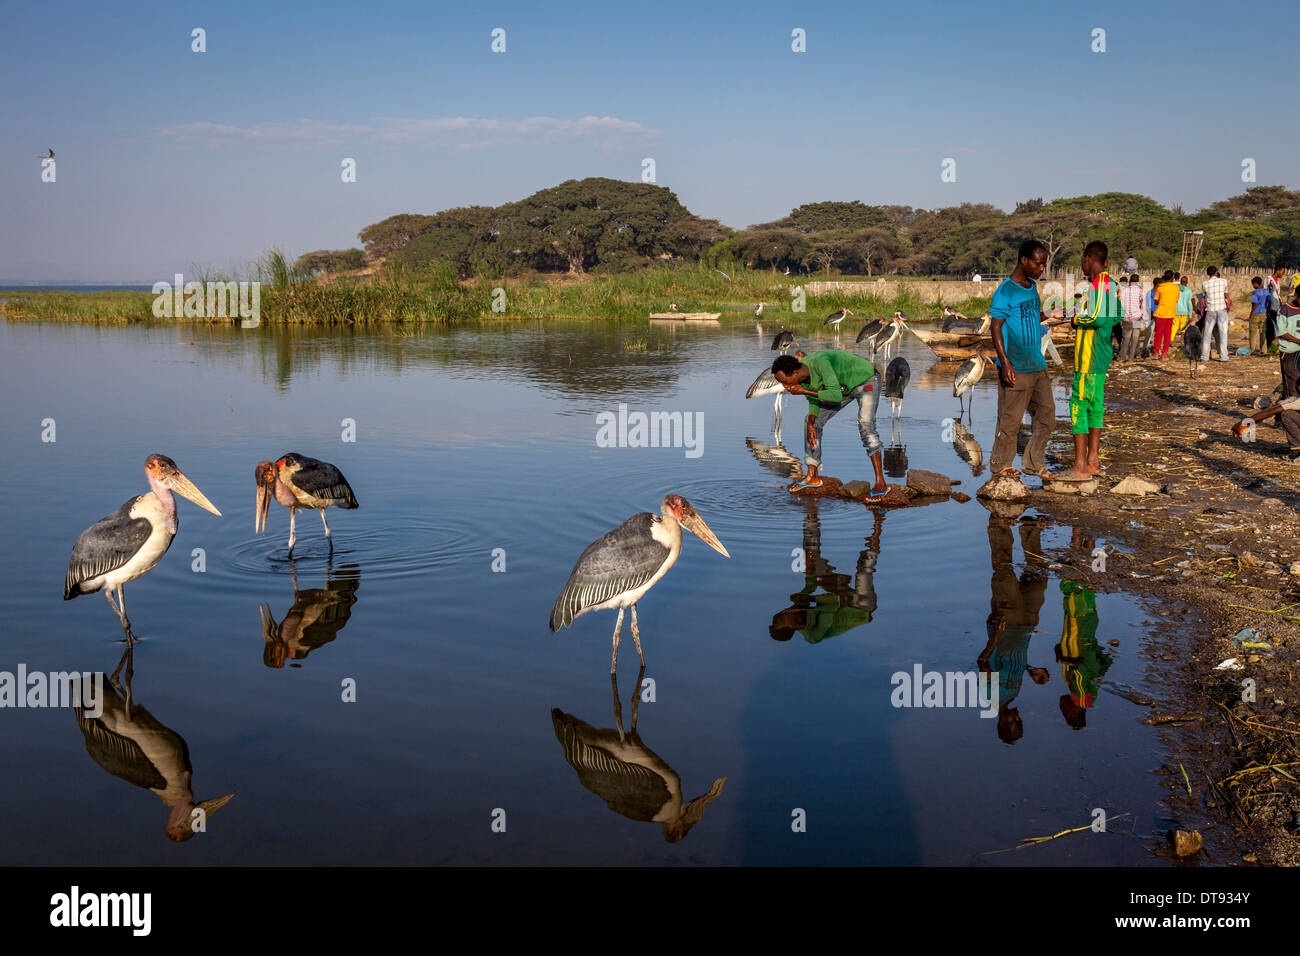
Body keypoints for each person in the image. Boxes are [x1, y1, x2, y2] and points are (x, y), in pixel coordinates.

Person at [772, 350, 886, 495]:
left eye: (784, 382)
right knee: (811, 422)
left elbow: (835, 395)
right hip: (842, 389)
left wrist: (804, 392)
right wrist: (810, 424)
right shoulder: (802, 379)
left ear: (795, 373)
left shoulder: (820, 362)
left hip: (866, 380)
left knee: (866, 425)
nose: (784, 386)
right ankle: (812, 475)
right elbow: (815, 401)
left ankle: (880, 482)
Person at [989, 239, 1055, 479]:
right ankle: (1000, 466)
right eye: (1038, 264)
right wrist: (1004, 361)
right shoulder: (1005, 291)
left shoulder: (1030, 287)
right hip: (1015, 367)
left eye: (1044, 265)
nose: (1041, 269)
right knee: (1009, 422)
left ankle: (1033, 463)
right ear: (1024, 261)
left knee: (1047, 417)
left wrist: (1050, 314)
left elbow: (1030, 317)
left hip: (1037, 364)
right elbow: (996, 327)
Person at [1059, 241, 1123, 479]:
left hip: (1088, 357)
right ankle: (1093, 461)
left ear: (1087, 259)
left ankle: (1080, 466)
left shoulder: (1099, 285)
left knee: (1078, 406)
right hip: (1102, 355)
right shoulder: (1111, 285)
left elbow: (1095, 318)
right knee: (1095, 408)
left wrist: (1077, 320)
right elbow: (1118, 314)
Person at [1233, 285, 1300, 460]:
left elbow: (1272, 410)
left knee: (1288, 408)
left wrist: (1245, 422)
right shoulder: (1285, 309)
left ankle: (1296, 448)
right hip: (1291, 352)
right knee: (1290, 394)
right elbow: (1283, 332)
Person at [1202, 265, 1230, 362]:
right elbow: (1226, 294)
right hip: (1221, 309)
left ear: (1207, 274)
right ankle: (1224, 356)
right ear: (1216, 273)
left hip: (1210, 310)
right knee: (1223, 333)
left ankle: (1205, 356)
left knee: (1207, 334)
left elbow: (1205, 297)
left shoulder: (1205, 284)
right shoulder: (1224, 281)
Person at [1151, 269, 1179, 359]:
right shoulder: (1176, 288)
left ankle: (1156, 353)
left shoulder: (1160, 288)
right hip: (1170, 314)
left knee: (1158, 334)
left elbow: (1156, 301)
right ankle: (1164, 354)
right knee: (1167, 335)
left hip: (1160, 314)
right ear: (1172, 278)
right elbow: (1176, 300)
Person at [1119, 273, 1144, 362]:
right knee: (1135, 338)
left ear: (1130, 281)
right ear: (1138, 281)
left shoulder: (1125, 290)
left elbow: (1122, 303)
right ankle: (1131, 358)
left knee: (1126, 338)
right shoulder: (1141, 290)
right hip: (1137, 317)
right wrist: (1141, 314)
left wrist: (1123, 316)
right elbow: (1142, 304)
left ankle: (1122, 357)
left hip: (1127, 318)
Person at [1266, 264, 1287, 353]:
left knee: (1276, 328)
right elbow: (1267, 293)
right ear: (1278, 270)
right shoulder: (1269, 279)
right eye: (1282, 272)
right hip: (1271, 307)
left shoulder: (1276, 281)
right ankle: (1269, 348)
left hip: (1277, 307)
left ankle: (1274, 347)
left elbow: (1277, 295)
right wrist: (1267, 307)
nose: (1283, 274)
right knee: (1271, 328)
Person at [1248, 276, 1270, 356]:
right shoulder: (1267, 291)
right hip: (1264, 313)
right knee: (1263, 332)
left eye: (1253, 284)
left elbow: (1256, 303)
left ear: (1256, 283)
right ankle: (1264, 350)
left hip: (1256, 313)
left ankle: (1253, 350)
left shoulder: (1256, 292)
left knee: (1253, 332)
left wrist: (1251, 312)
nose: (1253, 286)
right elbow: (1269, 300)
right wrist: (1267, 310)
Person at [1173, 274, 1193, 342]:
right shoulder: (1188, 290)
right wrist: (1190, 315)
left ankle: (1170, 340)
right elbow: (1189, 303)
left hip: (1176, 311)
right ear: (1187, 283)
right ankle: (1182, 341)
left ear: (1180, 282)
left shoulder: (1175, 289)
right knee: (1183, 327)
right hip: (1184, 312)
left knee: (1174, 326)